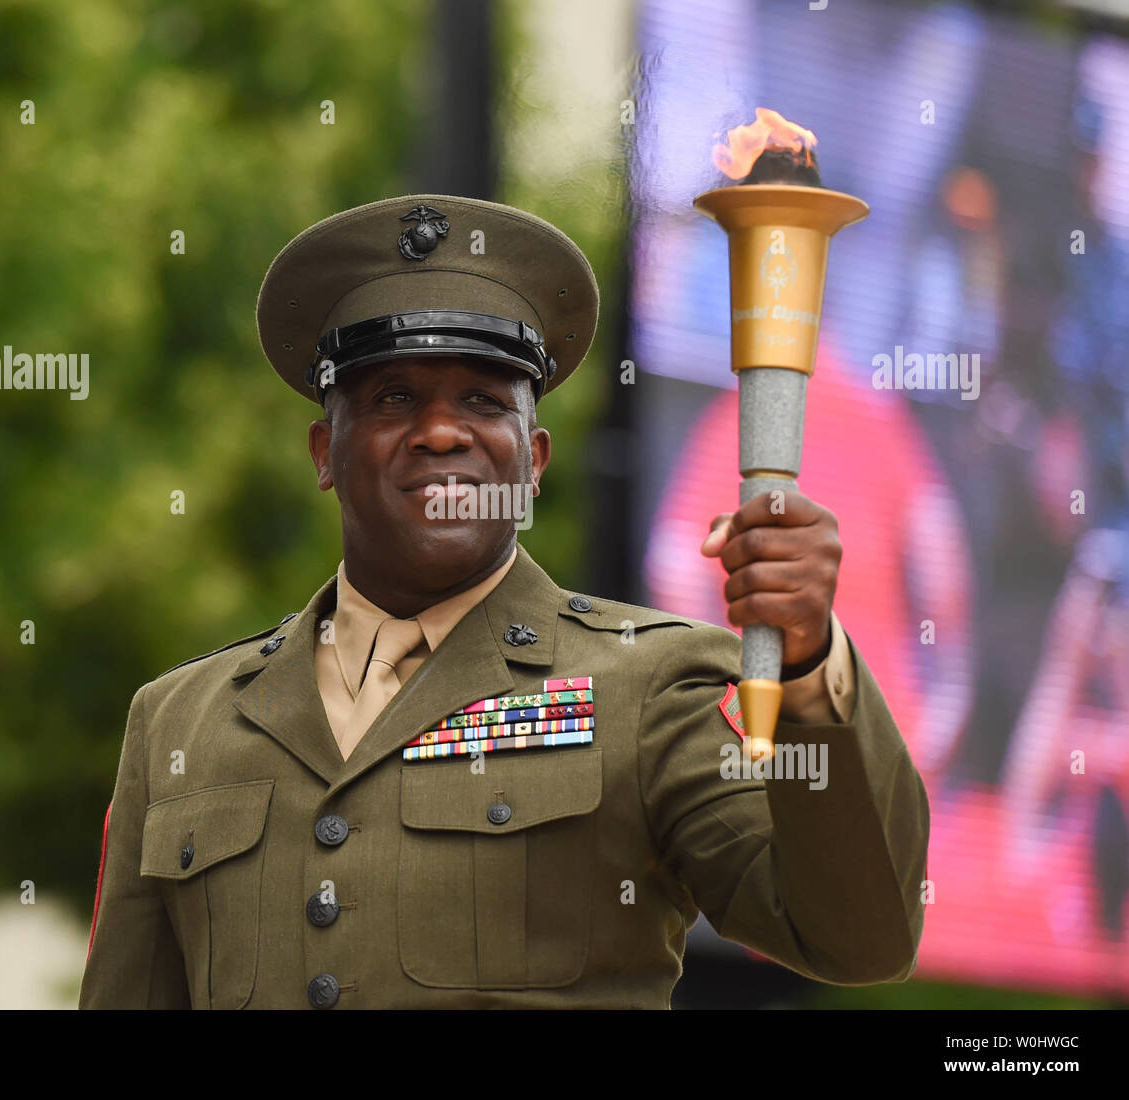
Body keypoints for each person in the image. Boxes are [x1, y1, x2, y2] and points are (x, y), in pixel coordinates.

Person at [79, 194, 930, 1009]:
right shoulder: (177, 723)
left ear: (533, 462)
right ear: (324, 451)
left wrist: (812, 661)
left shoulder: (654, 687)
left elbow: (858, 939)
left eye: (484, 401)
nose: (442, 431)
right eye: (394, 398)